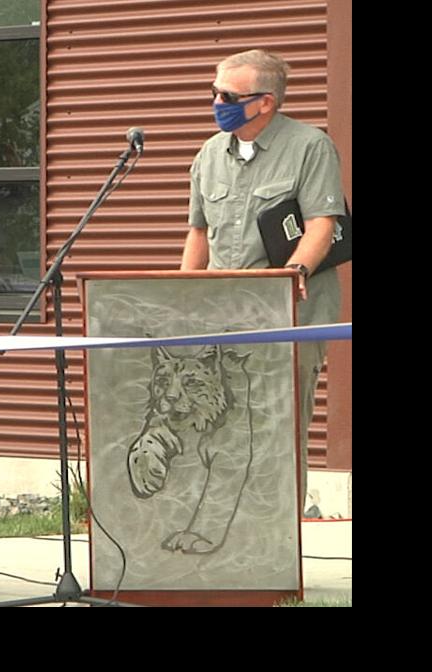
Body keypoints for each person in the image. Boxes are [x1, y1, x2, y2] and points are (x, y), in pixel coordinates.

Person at [180, 49, 347, 508]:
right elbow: (199, 232)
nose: (217, 102)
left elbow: (322, 225)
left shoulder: (309, 147)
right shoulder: (210, 153)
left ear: (266, 102)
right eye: (213, 93)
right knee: (218, 424)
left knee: (278, 423)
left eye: (228, 95)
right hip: (221, 313)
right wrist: (180, 294)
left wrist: (293, 274)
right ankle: (222, 530)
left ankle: (274, 543)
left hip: (288, 313)